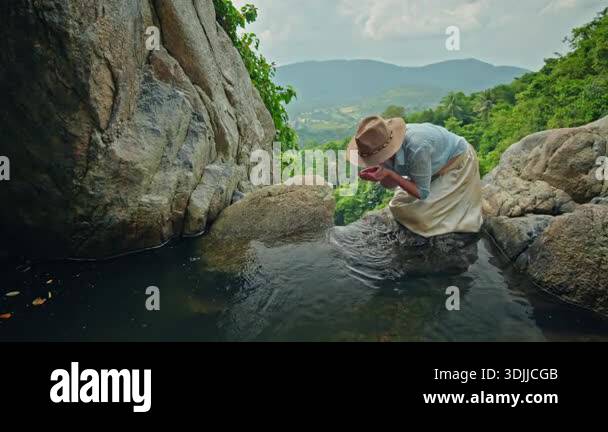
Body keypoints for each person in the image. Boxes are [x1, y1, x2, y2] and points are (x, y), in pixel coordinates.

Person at [347, 115, 483, 237]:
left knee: (422, 219)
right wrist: (380, 175)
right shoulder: (386, 146)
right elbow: (390, 185)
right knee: (398, 205)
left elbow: (422, 193)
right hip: (429, 170)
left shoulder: (417, 147)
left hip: (456, 165)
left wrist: (390, 173)